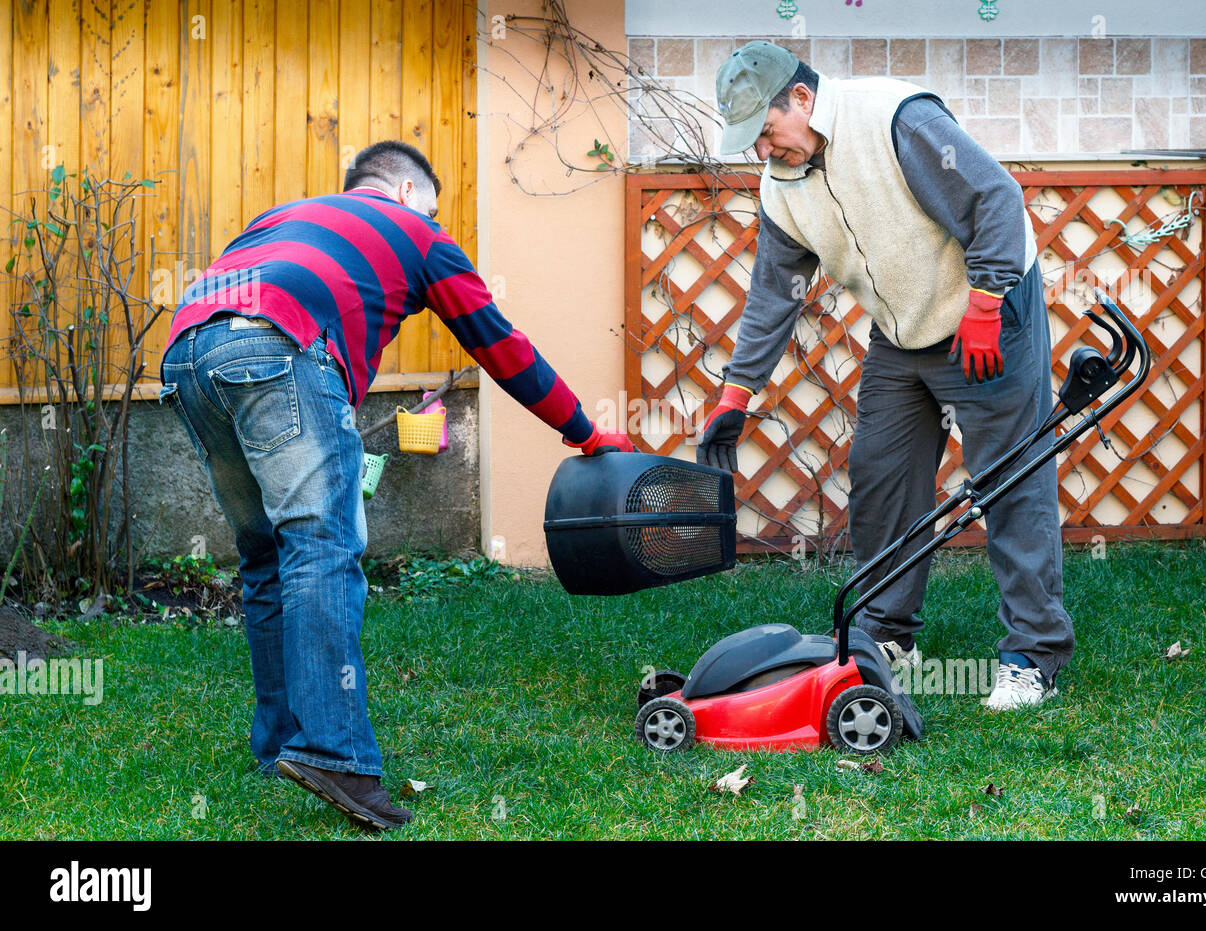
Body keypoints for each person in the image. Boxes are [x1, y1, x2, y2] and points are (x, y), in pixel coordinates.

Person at [159, 140, 631, 831]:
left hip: (189, 352)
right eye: (433, 209)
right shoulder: (418, 232)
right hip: (281, 345)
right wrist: (585, 430)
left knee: (265, 554)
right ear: (408, 194)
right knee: (321, 546)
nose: (437, 223)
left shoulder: (287, 214)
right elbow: (500, 345)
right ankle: (334, 753)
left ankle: (278, 744)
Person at [696, 42, 1070, 711]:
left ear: (802, 100)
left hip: (987, 314)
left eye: (765, 132)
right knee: (880, 475)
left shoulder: (896, 119)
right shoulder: (782, 182)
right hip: (902, 332)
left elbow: (998, 197)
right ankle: (889, 636)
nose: (761, 151)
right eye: (748, 141)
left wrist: (985, 303)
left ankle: (1032, 656)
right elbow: (774, 292)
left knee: (1011, 482)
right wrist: (735, 392)